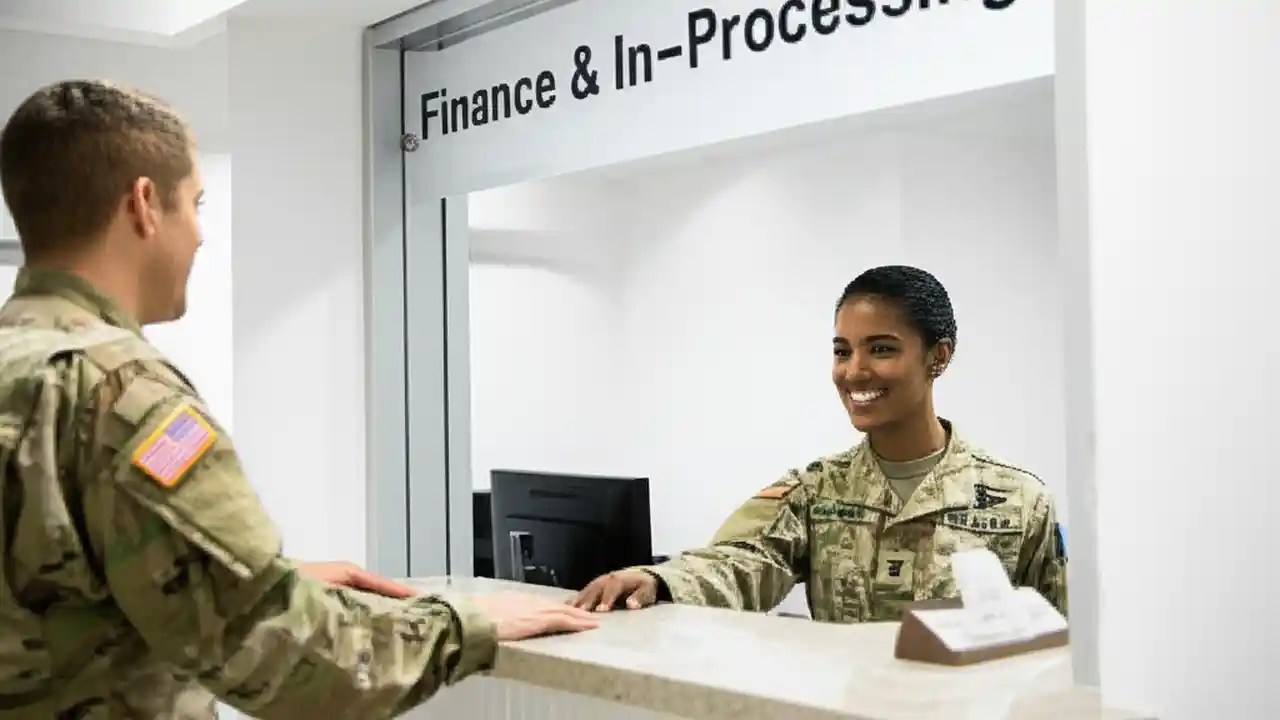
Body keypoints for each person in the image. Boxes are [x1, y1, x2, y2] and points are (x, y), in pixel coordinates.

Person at [0, 79, 597, 719]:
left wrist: (244, 579)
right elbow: (284, 655)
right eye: (195, 204)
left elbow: (52, 590)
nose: (200, 235)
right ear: (145, 204)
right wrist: (462, 623)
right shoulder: (120, 390)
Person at [571, 265, 1068, 623]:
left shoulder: (1018, 502)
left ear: (938, 357)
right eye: (842, 350)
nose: (854, 371)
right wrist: (659, 580)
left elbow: (1066, 643)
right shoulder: (816, 492)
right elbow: (741, 561)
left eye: (882, 349)